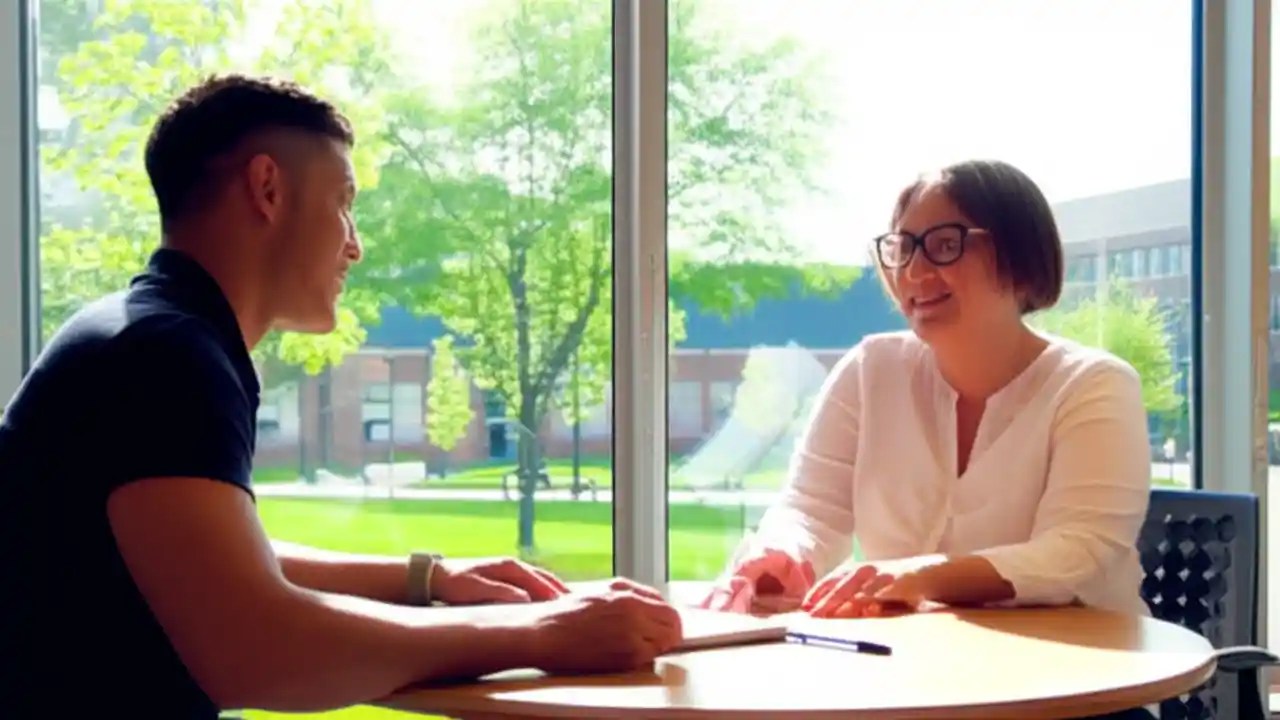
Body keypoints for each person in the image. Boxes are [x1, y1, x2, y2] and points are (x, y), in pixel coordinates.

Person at [0, 74, 681, 719]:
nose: (355, 246)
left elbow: (221, 566)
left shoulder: (142, 334)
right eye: (344, 204)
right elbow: (257, 652)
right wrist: (539, 635)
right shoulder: (164, 357)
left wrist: (430, 579)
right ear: (267, 188)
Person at [701, 159, 1151, 622]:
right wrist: (784, 553)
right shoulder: (870, 370)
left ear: (1020, 258)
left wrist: (922, 576)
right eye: (903, 248)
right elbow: (811, 508)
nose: (914, 271)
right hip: (915, 655)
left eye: (945, 245)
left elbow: (1077, 552)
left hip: (1084, 658)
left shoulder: (1094, 384)